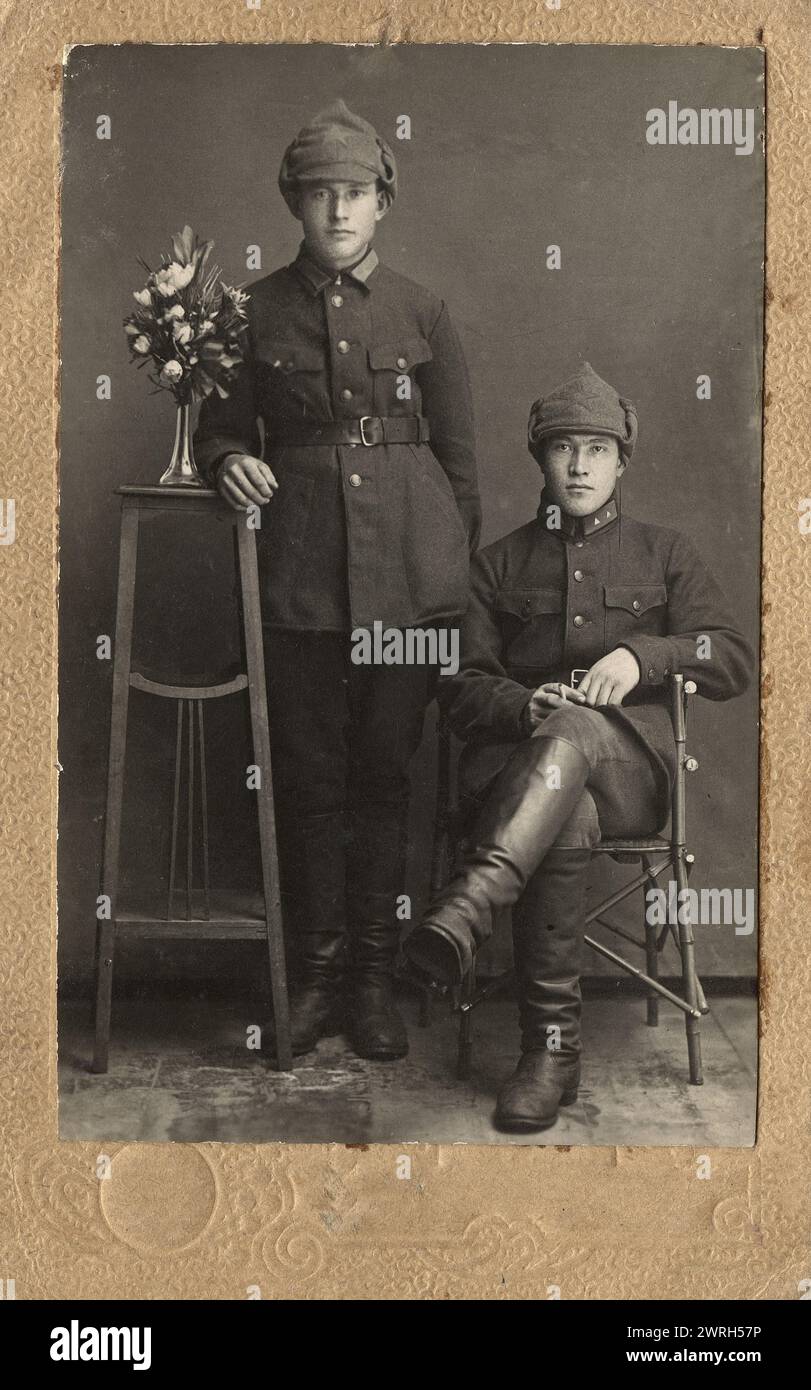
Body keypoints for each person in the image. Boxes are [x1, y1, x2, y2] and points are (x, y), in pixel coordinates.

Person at [194, 100, 480, 1061]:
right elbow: (222, 431)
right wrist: (226, 458)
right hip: (301, 582)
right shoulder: (252, 311)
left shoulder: (422, 310)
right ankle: (310, 981)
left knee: (383, 778)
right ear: (294, 204)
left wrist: (450, 587)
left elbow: (461, 467)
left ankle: (372, 980)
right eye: (320, 196)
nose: (339, 212)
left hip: (408, 586)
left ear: (382, 201)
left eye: (355, 193)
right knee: (309, 779)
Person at [404, 362, 753, 1129]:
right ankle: (550, 1050)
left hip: (632, 774)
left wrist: (644, 656)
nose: (580, 465)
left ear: (622, 460)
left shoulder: (665, 552)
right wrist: (524, 702)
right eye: (564, 448)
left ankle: (470, 906)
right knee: (565, 806)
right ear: (541, 459)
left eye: (597, 449)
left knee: (578, 732)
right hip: (524, 780)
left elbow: (732, 659)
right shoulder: (496, 564)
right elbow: (457, 686)